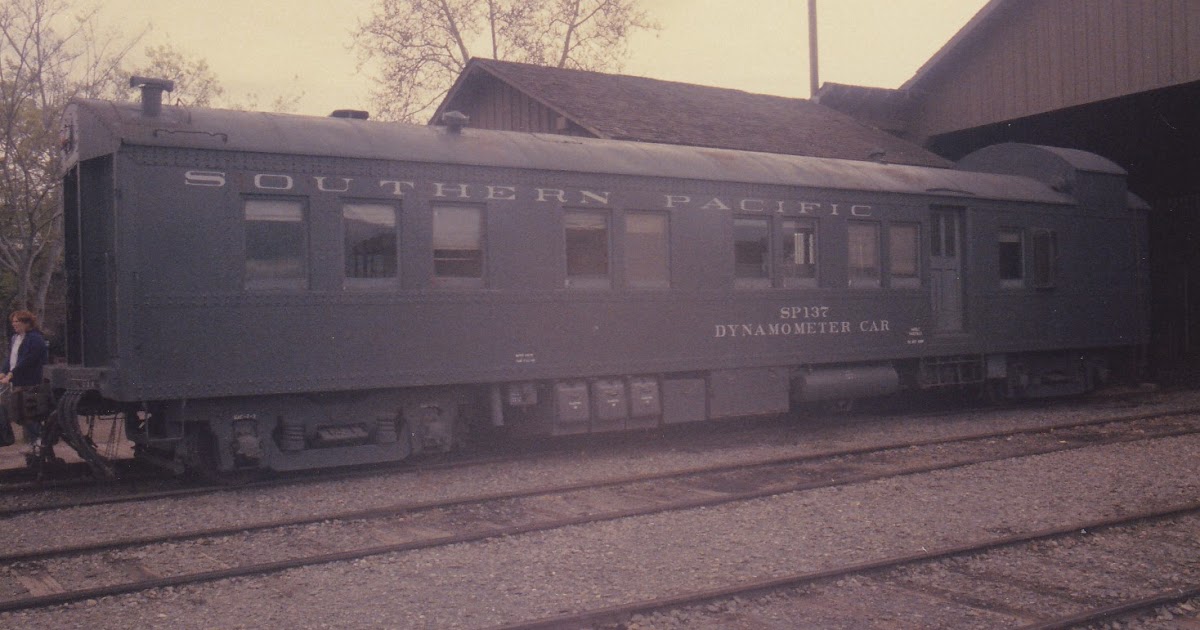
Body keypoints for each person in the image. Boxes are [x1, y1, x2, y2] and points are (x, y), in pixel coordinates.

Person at [0, 311, 50, 452]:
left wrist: (11, 374)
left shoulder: (36, 339)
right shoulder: (15, 338)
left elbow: (27, 360)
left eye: (17, 322)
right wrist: (3, 371)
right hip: (17, 382)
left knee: (31, 413)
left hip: (31, 381)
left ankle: (39, 442)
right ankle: (34, 442)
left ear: (27, 323)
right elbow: (11, 357)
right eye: (13, 322)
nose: (14, 324)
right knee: (20, 414)